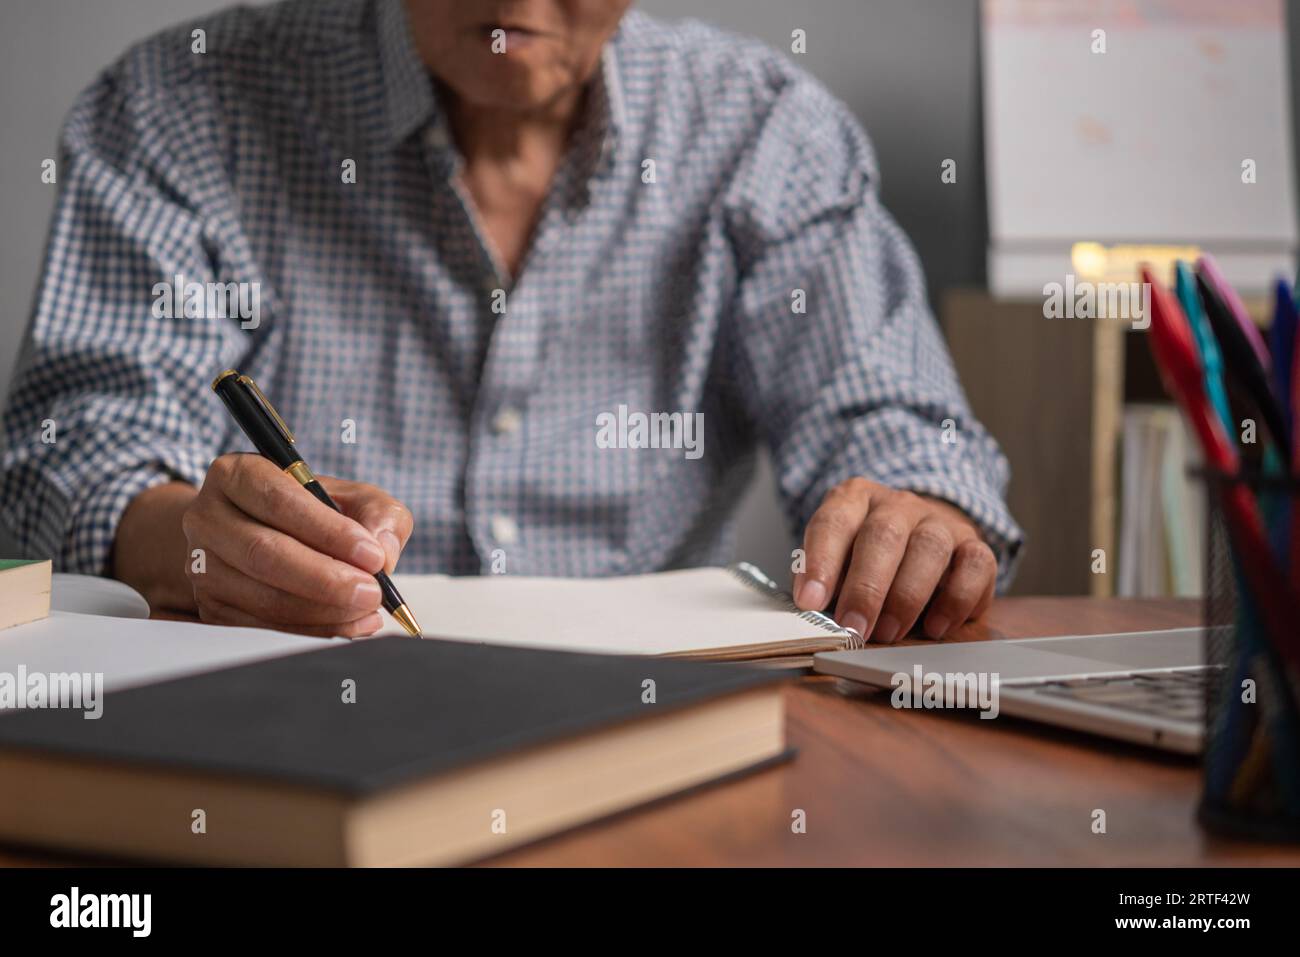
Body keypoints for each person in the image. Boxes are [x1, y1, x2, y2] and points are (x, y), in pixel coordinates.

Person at [0, 0, 1022, 642]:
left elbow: (892, 425)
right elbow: (74, 450)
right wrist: (194, 540)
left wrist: (919, 513)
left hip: (647, 733)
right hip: (276, 715)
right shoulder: (184, 102)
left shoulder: (765, 134)